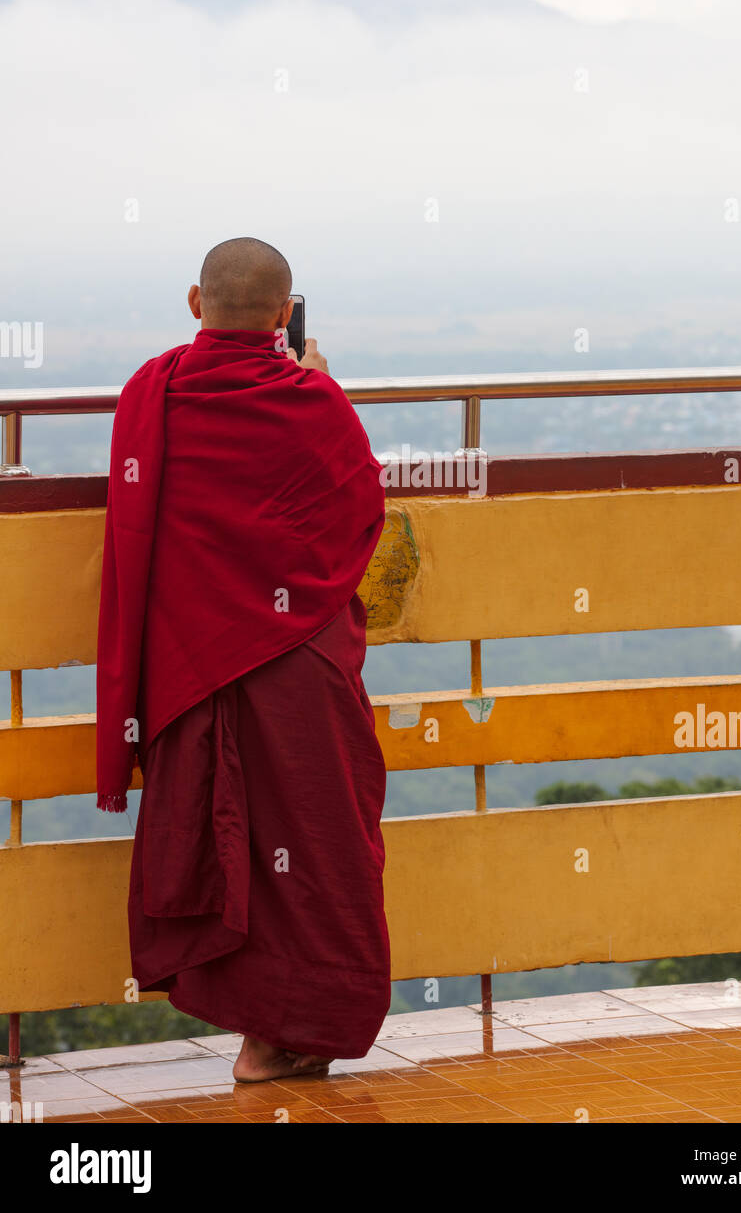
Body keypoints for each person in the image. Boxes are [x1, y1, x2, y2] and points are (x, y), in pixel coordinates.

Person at [96, 237, 390, 1082]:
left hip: (193, 663)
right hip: (300, 663)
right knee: (320, 836)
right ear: (283, 316)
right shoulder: (313, 400)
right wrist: (320, 382)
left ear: (196, 303)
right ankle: (286, 1034)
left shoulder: (151, 393)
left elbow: (136, 526)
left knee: (224, 835)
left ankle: (264, 1031)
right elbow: (357, 514)